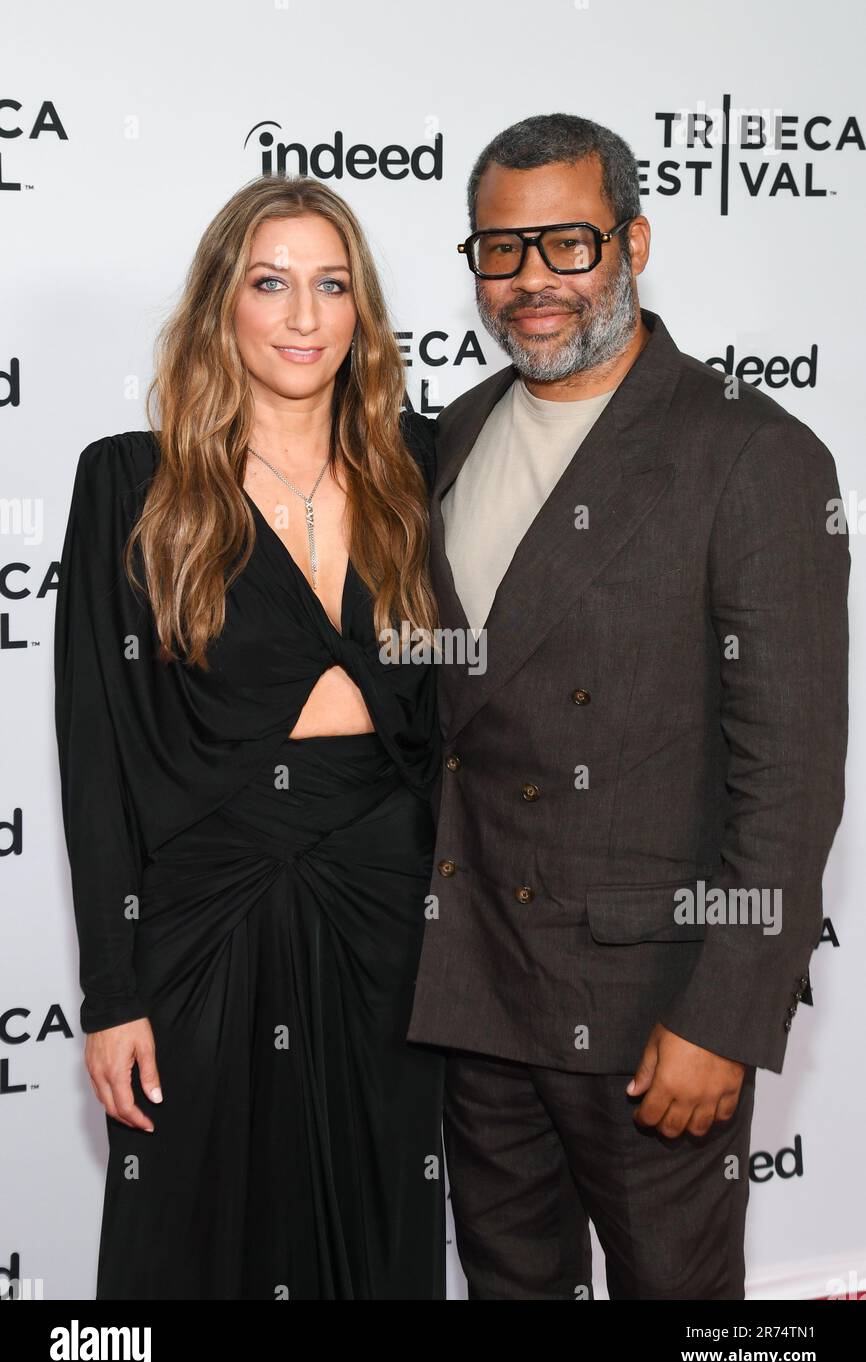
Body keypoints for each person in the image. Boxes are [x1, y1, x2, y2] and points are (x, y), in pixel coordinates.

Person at [406, 112, 849, 1300]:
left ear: (633, 242)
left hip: (651, 1006)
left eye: (566, 243)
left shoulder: (751, 456)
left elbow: (792, 771)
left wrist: (725, 1015)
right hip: (475, 990)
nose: (531, 281)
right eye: (499, 251)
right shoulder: (455, 431)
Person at [54, 174, 446, 1300]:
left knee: (375, 1231)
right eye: (270, 283)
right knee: (192, 1240)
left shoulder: (414, 471)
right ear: (222, 304)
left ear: (361, 314)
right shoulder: (133, 484)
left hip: (385, 913)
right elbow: (99, 755)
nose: (303, 315)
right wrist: (112, 988)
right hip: (203, 919)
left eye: (332, 285)